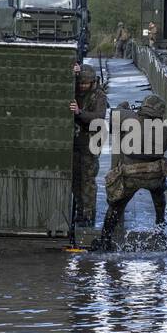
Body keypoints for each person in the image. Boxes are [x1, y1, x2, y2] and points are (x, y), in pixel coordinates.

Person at [90, 94, 167, 251]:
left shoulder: (128, 118)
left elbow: (113, 117)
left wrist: (122, 106)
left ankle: (105, 240)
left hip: (131, 175)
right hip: (154, 175)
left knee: (116, 206)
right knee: (159, 199)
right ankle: (160, 229)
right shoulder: (164, 127)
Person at [70, 63, 108, 227]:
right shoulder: (73, 89)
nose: (82, 86)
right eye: (80, 83)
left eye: (86, 83)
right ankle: (80, 212)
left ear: (93, 82)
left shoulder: (98, 95)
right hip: (76, 142)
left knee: (88, 180)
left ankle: (88, 215)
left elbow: (98, 117)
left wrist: (79, 113)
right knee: (75, 180)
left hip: (91, 142)